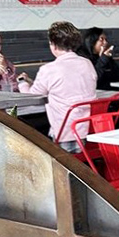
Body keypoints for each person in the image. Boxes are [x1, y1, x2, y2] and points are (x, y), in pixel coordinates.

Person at [18, 21, 97, 152]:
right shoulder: (87, 63)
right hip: (89, 130)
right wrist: (31, 82)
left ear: (53, 45)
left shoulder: (49, 69)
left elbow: (32, 98)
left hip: (65, 134)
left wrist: (22, 82)